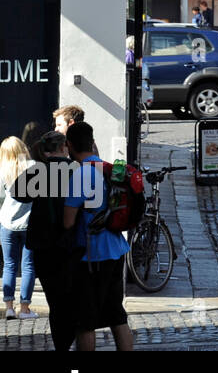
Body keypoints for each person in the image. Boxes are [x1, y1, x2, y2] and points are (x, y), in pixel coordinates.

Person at [62, 122, 132, 351]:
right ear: (92, 142)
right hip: (116, 248)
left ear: (69, 145)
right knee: (116, 314)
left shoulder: (81, 174)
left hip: (92, 257)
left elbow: (68, 222)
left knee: (85, 320)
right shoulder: (108, 168)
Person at [19, 132, 76, 348]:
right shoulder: (75, 169)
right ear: (64, 147)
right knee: (69, 297)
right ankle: (69, 340)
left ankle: (61, 343)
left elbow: (18, 193)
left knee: (55, 300)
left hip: (43, 244)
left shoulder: (39, 171)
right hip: (69, 244)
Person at [0, 137, 37, 320]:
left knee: (9, 265)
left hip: (7, 222)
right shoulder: (33, 166)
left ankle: (8, 308)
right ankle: (24, 308)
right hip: (30, 224)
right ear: (23, 147)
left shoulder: (2, 169)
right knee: (28, 266)